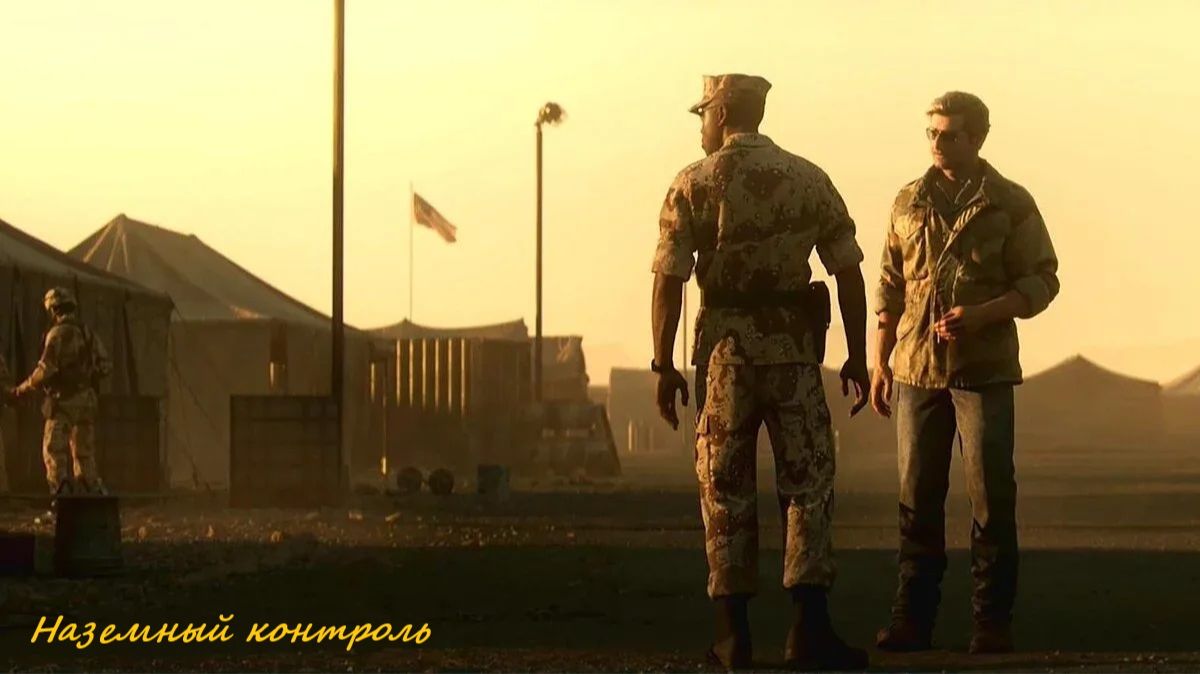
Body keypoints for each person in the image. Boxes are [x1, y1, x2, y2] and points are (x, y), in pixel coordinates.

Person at [650, 73, 871, 671]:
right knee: (809, 483)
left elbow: (669, 278)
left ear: (721, 113)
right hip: (794, 355)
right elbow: (847, 270)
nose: (701, 127)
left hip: (725, 359)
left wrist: (663, 364)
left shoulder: (693, 183)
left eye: (703, 115)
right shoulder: (808, 178)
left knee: (724, 487)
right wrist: (856, 354)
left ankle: (732, 636)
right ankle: (808, 630)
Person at [870, 91, 1060, 654]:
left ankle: (990, 622)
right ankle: (912, 620)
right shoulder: (907, 201)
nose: (937, 143)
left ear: (977, 138)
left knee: (990, 499)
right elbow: (889, 285)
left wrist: (985, 313)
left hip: (984, 370)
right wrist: (880, 361)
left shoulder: (1010, 203)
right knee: (916, 500)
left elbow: (1042, 279)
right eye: (931, 132)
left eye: (949, 134)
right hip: (916, 369)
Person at [13, 287, 112, 496]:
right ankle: (92, 496)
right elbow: (105, 366)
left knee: (54, 450)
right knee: (84, 453)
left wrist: (22, 389)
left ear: (53, 310)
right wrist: (85, 377)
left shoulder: (57, 334)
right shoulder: (87, 333)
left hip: (63, 401)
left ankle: (61, 496)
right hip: (87, 401)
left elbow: (45, 370)